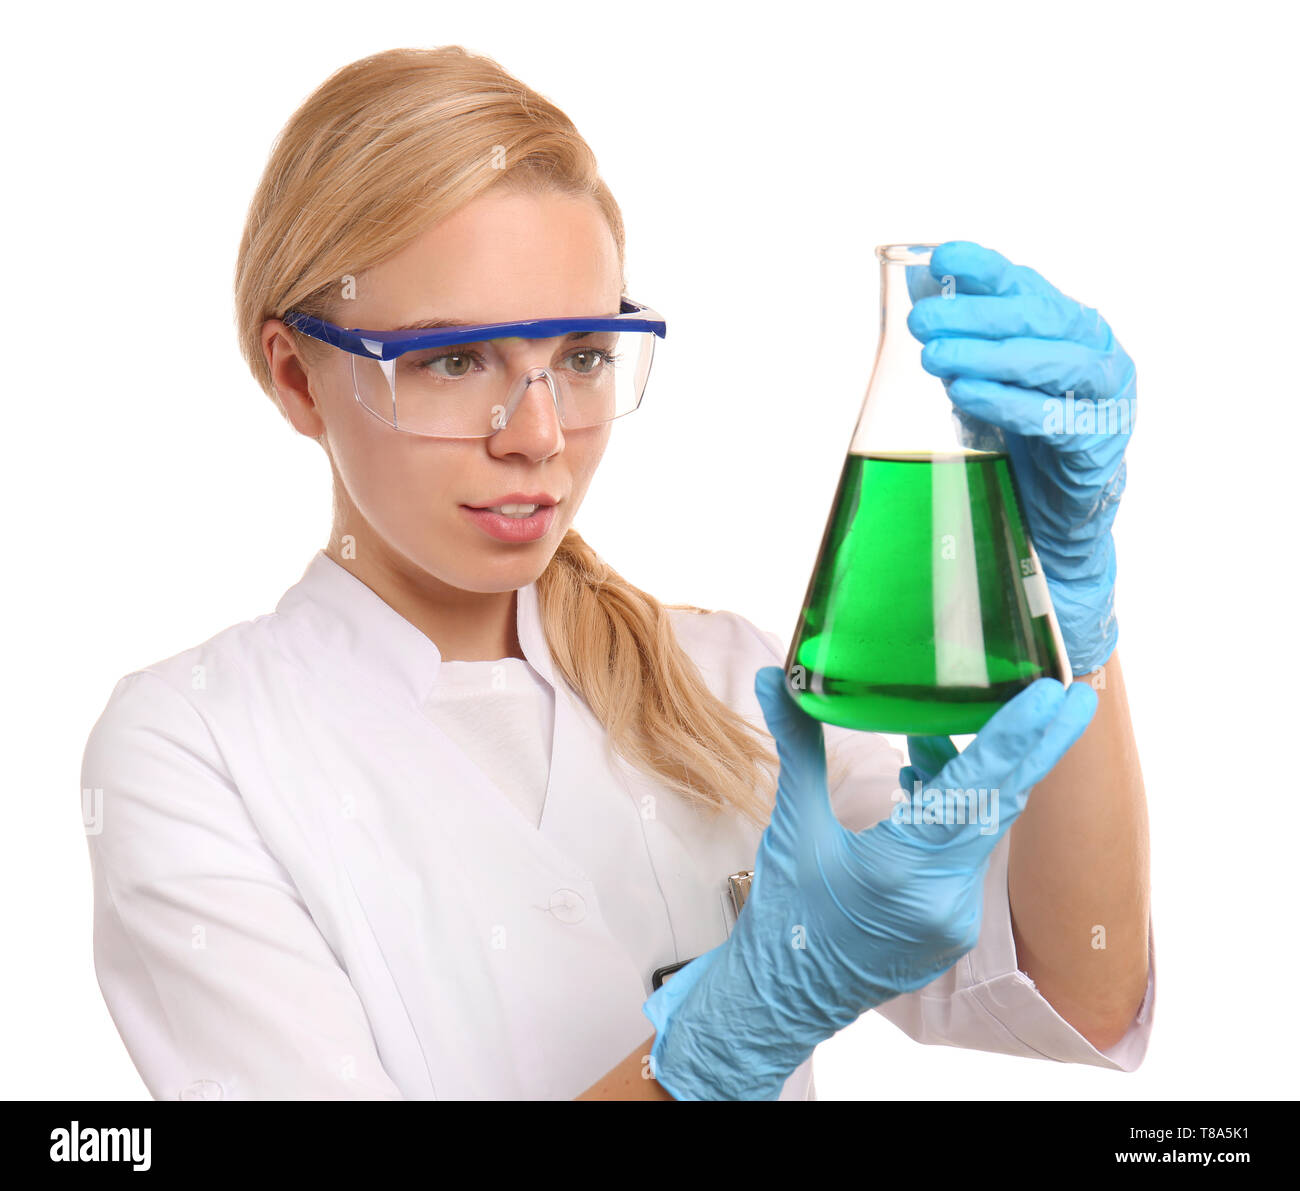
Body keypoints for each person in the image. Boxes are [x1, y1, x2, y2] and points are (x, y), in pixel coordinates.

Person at [80, 45, 1154, 1101]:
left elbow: (1078, 991)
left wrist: (1068, 604)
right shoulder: (196, 746)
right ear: (295, 378)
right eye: (455, 361)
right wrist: (727, 1037)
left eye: (582, 356)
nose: (538, 435)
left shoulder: (730, 681)